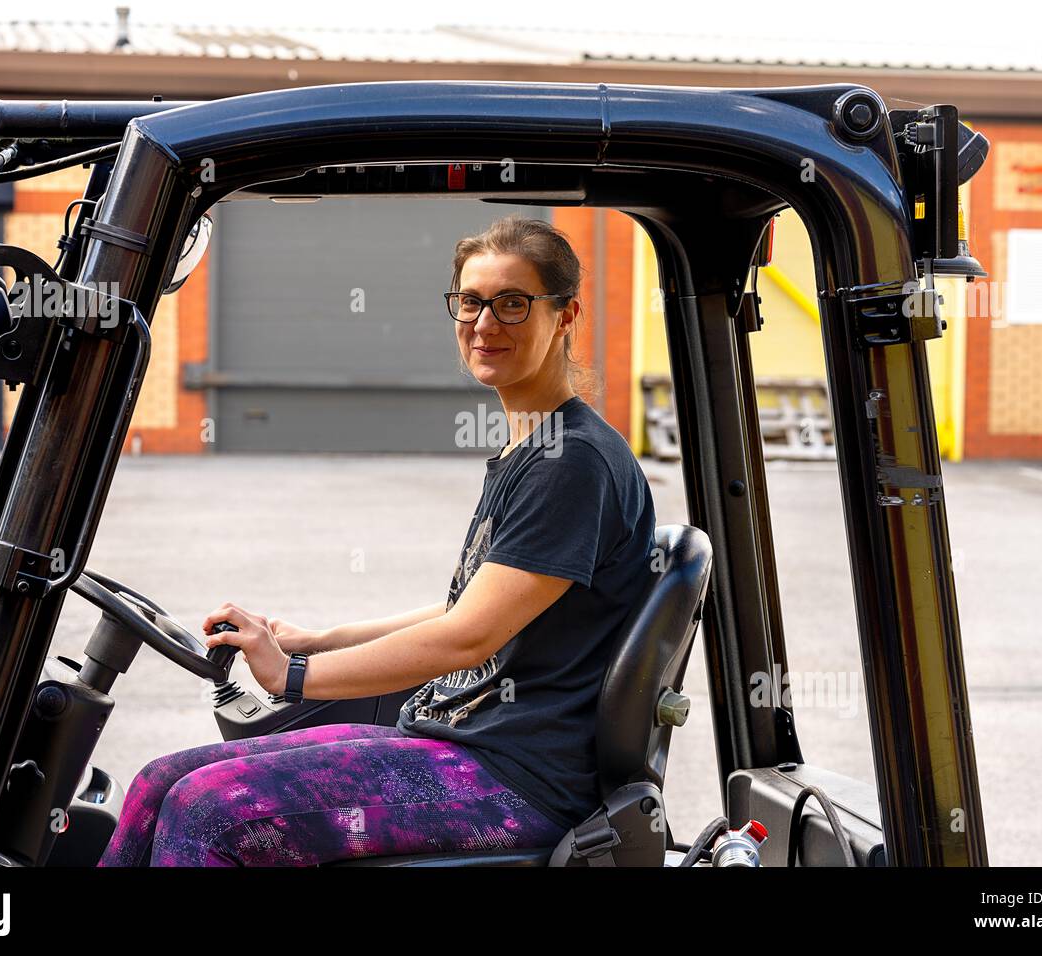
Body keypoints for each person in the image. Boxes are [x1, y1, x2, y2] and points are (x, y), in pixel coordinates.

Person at [97, 215, 657, 866]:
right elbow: (467, 608)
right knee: (157, 783)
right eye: (471, 302)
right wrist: (316, 639)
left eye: (512, 303)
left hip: (513, 778)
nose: (484, 324)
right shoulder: (535, 445)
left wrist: (295, 675)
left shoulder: (571, 463)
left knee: (208, 809)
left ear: (565, 316)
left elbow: (468, 638)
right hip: (464, 742)